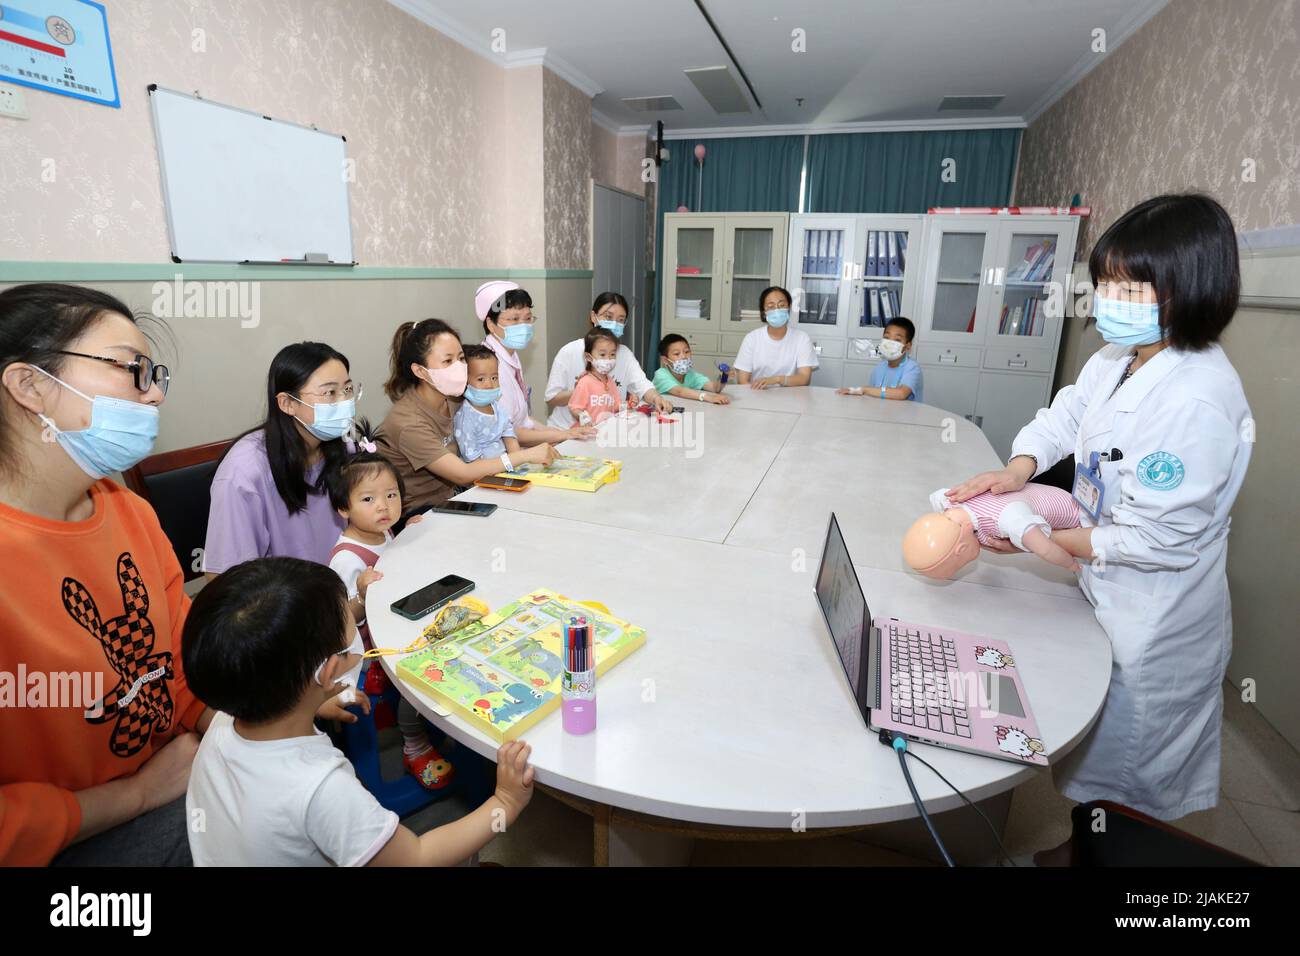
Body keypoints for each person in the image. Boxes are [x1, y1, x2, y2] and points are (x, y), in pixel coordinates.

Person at [944, 194, 1253, 859]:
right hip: (1104, 579)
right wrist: (1017, 469)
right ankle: (1076, 847)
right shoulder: (1119, 356)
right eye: (1105, 282)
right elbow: (1064, 416)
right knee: (1094, 770)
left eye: (1127, 285)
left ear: (1185, 288)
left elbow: (1156, 538)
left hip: (1153, 613)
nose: (1108, 297)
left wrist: (1041, 538)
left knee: (1130, 777)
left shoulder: (1196, 397)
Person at [0, 282, 215, 865]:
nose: (152, 396)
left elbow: (179, 655)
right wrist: (136, 794)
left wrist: (250, 714)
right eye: (131, 370)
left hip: (170, 766)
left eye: (153, 374)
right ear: (30, 386)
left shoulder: (129, 512)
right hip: (76, 832)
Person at [183, 557, 534, 866]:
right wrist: (505, 802)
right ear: (329, 670)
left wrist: (314, 702)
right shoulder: (323, 789)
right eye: (350, 619)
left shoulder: (223, 723)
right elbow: (417, 857)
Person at [324, 432, 452, 790]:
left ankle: (431, 727)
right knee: (421, 675)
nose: (384, 506)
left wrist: (406, 534)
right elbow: (341, 621)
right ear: (343, 508)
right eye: (368, 499)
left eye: (391, 495)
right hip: (366, 651)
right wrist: (362, 596)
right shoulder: (346, 558)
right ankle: (415, 745)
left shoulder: (382, 532)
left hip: (394, 628)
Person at [374, 319, 555, 512]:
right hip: (419, 512)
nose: (459, 367)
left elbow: (499, 424)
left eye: (461, 359)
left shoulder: (456, 397)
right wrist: (524, 455)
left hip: (458, 495)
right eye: (447, 361)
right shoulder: (408, 423)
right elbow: (462, 473)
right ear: (420, 371)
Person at [204, 342, 353, 574]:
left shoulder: (345, 447)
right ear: (288, 403)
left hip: (351, 583)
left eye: (347, 389)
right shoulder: (243, 472)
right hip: (287, 600)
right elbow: (225, 578)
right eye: (329, 393)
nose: (344, 401)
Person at [476, 281, 595, 445]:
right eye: (514, 319)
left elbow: (523, 420)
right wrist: (561, 435)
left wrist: (562, 434)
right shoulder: (488, 366)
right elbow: (508, 432)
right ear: (491, 324)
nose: (523, 326)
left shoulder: (510, 355)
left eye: (527, 319)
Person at [545, 291, 672, 427]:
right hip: (565, 431)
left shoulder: (625, 354)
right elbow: (551, 398)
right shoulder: (570, 351)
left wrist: (657, 398)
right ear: (594, 317)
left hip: (606, 430)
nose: (614, 324)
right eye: (608, 317)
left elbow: (642, 385)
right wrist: (583, 390)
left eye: (621, 320)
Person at [733, 286, 818, 388]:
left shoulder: (802, 338)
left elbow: (804, 378)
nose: (777, 310)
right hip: (758, 396)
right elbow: (742, 380)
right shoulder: (752, 339)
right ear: (764, 311)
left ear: (789, 307)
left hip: (790, 397)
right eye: (771, 306)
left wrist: (776, 380)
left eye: (782, 305)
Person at [452, 344, 522, 464]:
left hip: (506, 467)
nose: (489, 385)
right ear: (464, 380)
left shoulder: (497, 407)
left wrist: (519, 464)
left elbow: (510, 438)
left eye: (494, 378)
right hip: (482, 475)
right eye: (481, 379)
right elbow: (473, 460)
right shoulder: (465, 418)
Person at [837, 317, 923, 401]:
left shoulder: (912, 368)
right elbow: (873, 396)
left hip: (905, 414)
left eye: (897, 340)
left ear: (908, 345)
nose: (890, 343)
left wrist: (864, 389)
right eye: (886, 337)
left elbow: (902, 393)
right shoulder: (880, 367)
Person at [567, 328, 625, 425]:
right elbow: (574, 407)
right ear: (588, 357)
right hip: (587, 434)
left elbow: (616, 406)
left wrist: (627, 405)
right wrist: (583, 417)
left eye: (612, 354)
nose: (609, 359)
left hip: (605, 432)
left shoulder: (610, 381)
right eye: (602, 354)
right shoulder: (585, 382)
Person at [653, 334, 730, 405]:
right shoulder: (660, 375)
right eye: (677, 354)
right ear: (665, 360)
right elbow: (679, 391)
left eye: (686, 352)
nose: (683, 356)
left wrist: (724, 375)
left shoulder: (690, 375)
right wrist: (708, 397)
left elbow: (715, 388)